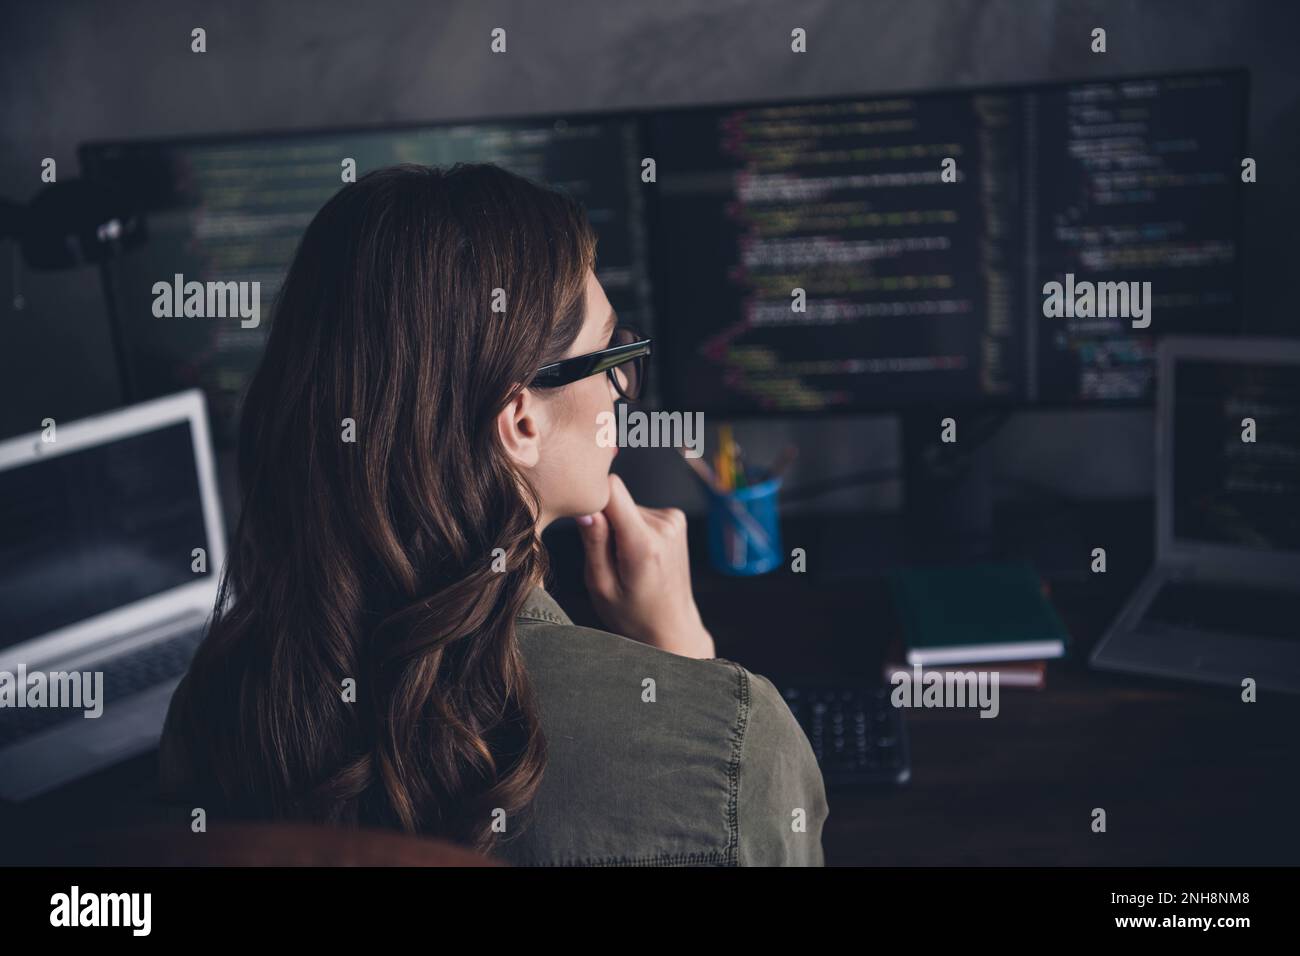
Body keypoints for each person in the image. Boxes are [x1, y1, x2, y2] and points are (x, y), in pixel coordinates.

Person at [158, 162, 828, 865]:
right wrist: (690, 665)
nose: (618, 393)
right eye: (607, 357)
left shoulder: (211, 709)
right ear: (521, 422)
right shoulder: (735, 742)